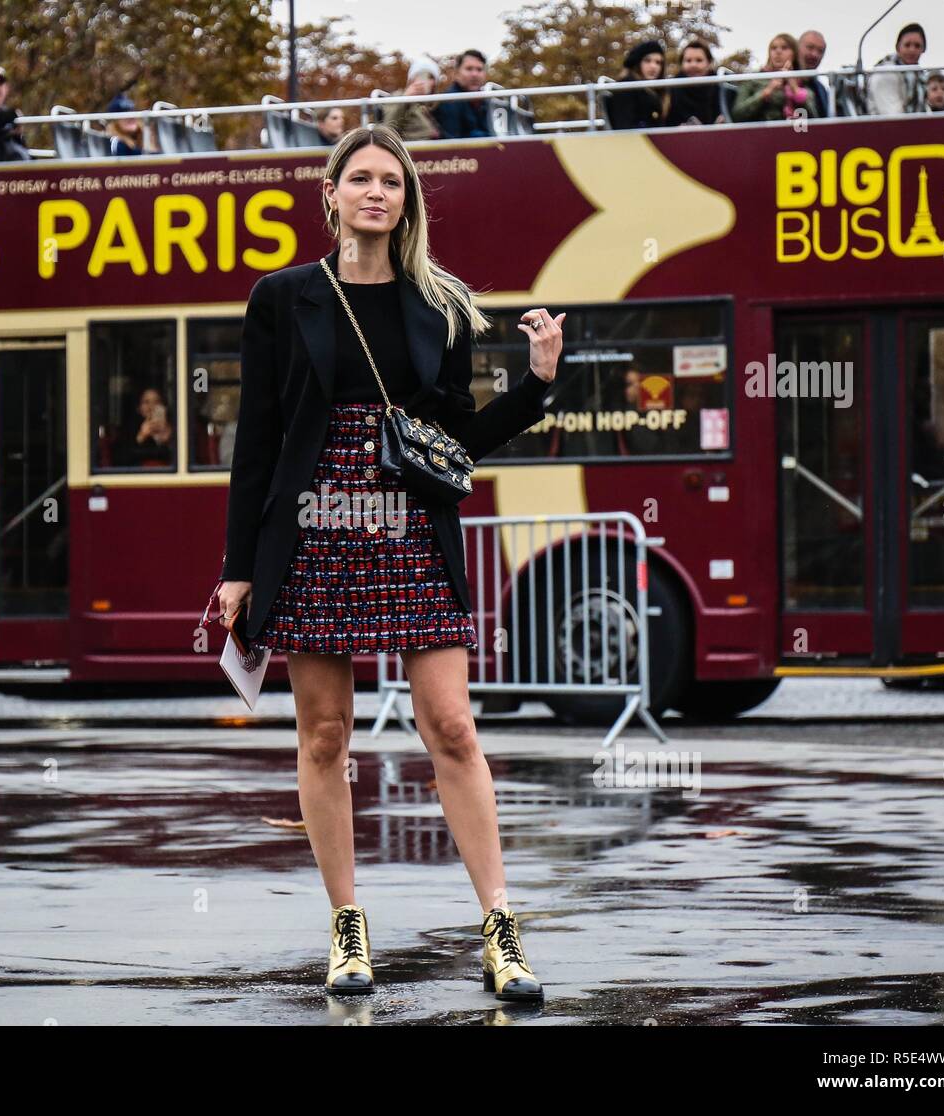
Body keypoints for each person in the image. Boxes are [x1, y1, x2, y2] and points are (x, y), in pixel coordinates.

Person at [213, 124, 560, 1001]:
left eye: (393, 183)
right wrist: (238, 565)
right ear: (330, 193)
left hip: (410, 524)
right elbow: (255, 440)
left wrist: (536, 386)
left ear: (407, 202)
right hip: (314, 526)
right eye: (361, 178)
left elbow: (453, 441)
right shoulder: (281, 297)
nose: (377, 193)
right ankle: (347, 931)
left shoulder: (434, 303)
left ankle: (501, 931)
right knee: (324, 735)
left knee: (452, 728)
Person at [731, 33, 818, 122]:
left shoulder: (804, 82)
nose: (778, 52)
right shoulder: (753, 79)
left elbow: (814, 119)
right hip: (763, 133)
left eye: (784, 48)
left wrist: (795, 88)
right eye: (773, 48)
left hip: (796, 133)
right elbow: (737, 115)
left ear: (795, 54)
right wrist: (766, 93)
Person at [867, 23, 928, 116]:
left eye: (917, 46)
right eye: (907, 45)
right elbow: (893, 117)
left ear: (923, 49)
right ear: (898, 47)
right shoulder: (885, 73)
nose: (912, 50)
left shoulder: (920, 77)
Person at [434, 49, 493, 138]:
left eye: (479, 69)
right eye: (469, 69)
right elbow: (453, 143)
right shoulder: (450, 100)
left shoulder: (486, 100)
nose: (474, 74)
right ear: (457, 73)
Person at [608, 40, 666, 129]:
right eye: (647, 60)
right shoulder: (626, 87)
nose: (653, 66)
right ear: (637, 62)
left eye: (658, 62)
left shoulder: (656, 91)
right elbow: (625, 126)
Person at [382, 56, 442, 140]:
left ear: (435, 83)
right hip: (413, 148)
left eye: (431, 77)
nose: (425, 81)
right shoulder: (397, 97)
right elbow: (388, 127)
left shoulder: (436, 103)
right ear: (411, 79)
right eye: (419, 75)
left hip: (434, 147)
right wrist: (405, 99)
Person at [664, 40, 723, 126]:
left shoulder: (721, 87)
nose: (693, 65)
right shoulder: (671, 90)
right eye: (688, 60)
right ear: (682, 64)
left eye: (699, 60)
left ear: (709, 63)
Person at [797, 29, 830, 117]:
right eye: (810, 47)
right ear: (797, 48)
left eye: (820, 51)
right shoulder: (780, 81)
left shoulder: (821, 89)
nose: (815, 54)